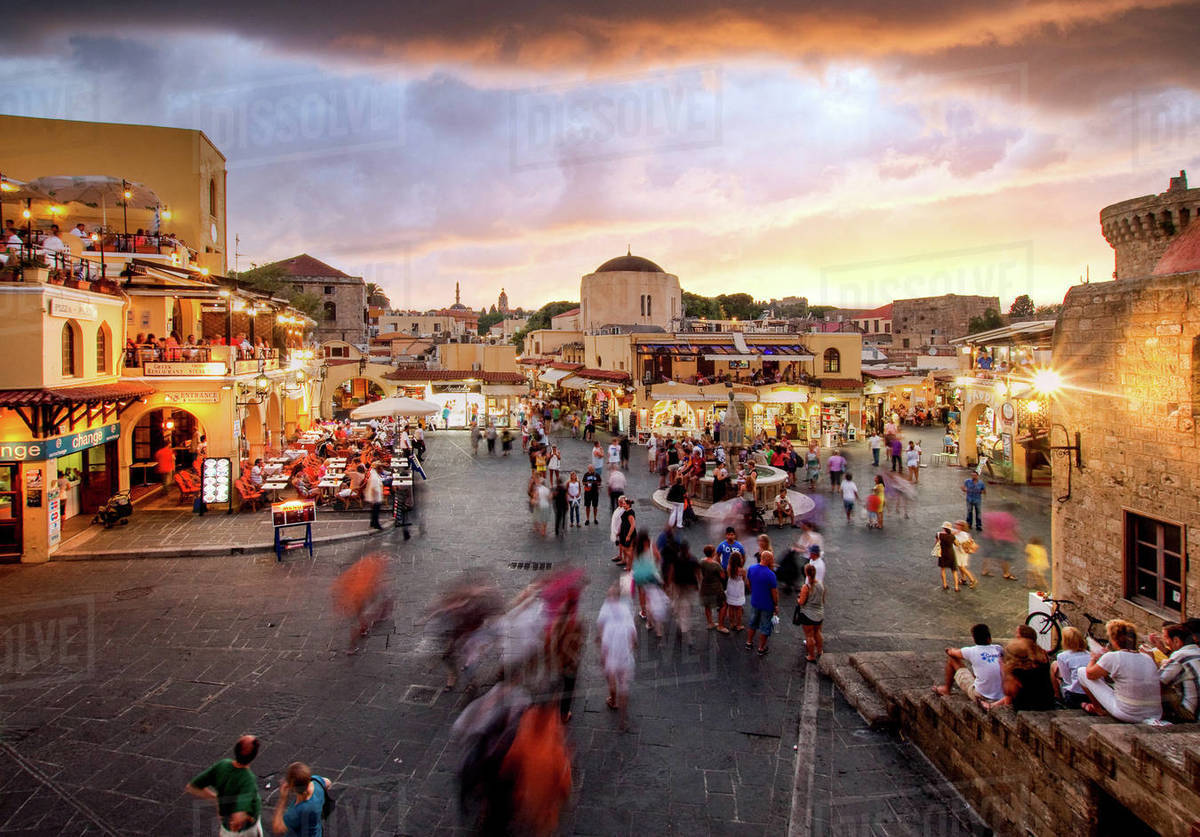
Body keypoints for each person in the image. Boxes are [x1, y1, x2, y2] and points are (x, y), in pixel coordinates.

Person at [1079, 619, 1162, 722]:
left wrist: (1093, 658)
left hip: (1127, 713)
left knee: (1082, 672)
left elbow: (1090, 675)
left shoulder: (1113, 657)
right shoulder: (1147, 657)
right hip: (1155, 713)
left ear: (1114, 640)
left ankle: (1098, 709)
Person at [185, 735, 262, 836]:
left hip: (226, 827)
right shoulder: (248, 780)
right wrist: (248, 817)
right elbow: (238, 817)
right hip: (244, 831)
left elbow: (192, 787)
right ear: (254, 756)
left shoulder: (223, 765)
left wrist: (215, 798)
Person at [983, 626, 1054, 711]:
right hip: (1047, 703)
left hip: (1025, 708)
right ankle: (992, 705)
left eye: (1017, 635)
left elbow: (1009, 694)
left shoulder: (1017, 668)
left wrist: (1004, 670)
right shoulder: (1042, 655)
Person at [932, 623, 1004, 706]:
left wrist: (950, 650)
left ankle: (946, 689)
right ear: (989, 638)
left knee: (952, 659)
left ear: (974, 639)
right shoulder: (998, 648)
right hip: (1002, 695)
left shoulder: (971, 651)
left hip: (982, 696)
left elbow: (951, 652)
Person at [597, 583, 637, 731]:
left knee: (611, 678)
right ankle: (622, 716)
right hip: (625, 655)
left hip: (611, 654)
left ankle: (613, 700)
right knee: (624, 686)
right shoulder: (626, 611)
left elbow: (601, 633)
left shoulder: (606, 610)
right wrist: (631, 648)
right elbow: (633, 635)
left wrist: (602, 654)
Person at [1153, 622, 1200, 722]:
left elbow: (1158, 682)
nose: (1167, 643)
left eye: (1167, 640)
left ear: (1176, 640)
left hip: (1191, 713)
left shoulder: (1181, 655)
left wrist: (1150, 661)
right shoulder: (1196, 652)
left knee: (1161, 685)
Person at [270, 761, 330, 837]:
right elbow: (327, 782)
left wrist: (283, 799)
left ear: (292, 787)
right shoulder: (316, 782)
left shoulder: (298, 810)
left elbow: (277, 828)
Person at [744, 549, 778, 656]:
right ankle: (761, 648)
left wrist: (754, 591)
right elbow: (774, 593)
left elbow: (748, 583)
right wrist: (776, 605)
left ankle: (749, 642)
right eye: (772, 559)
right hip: (767, 605)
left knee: (752, 623)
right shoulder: (771, 575)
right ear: (768, 560)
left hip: (755, 601)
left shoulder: (751, 569)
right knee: (765, 626)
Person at [1051, 626, 1092, 710]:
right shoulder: (1089, 654)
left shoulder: (1062, 656)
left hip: (1075, 694)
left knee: (1053, 665)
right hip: (1091, 693)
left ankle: (1057, 698)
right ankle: (1085, 704)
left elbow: (1067, 680)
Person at [795, 562, 826, 663]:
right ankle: (820, 651)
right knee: (818, 632)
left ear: (806, 574)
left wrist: (798, 599)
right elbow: (823, 599)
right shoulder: (821, 585)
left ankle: (811, 656)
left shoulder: (806, 587)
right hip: (819, 613)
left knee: (809, 635)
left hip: (808, 615)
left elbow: (801, 602)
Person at [979, 505, 1020, 580]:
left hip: (988, 537)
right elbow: (1014, 530)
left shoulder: (992, 515)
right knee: (1005, 557)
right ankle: (1006, 573)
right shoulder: (1010, 518)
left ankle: (984, 570)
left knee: (987, 555)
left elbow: (988, 526)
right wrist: (1018, 539)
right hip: (1004, 539)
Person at [699, 545, 726, 630]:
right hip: (716, 588)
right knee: (723, 605)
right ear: (713, 553)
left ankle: (710, 623)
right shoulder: (716, 565)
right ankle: (720, 625)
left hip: (705, 587)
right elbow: (723, 576)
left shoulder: (702, 562)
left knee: (707, 606)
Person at [720, 551, 747, 633]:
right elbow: (744, 579)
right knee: (738, 608)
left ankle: (732, 623)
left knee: (731, 607)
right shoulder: (742, 570)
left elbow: (728, 576)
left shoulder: (729, 567)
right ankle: (739, 625)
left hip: (731, 587)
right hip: (738, 588)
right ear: (740, 560)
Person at [953, 520, 979, 588]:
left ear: (961, 526)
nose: (956, 525)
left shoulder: (964, 534)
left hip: (962, 553)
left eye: (958, 524)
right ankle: (963, 579)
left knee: (962, 567)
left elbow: (958, 543)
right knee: (960, 566)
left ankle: (972, 580)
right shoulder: (957, 531)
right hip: (958, 552)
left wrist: (953, 535)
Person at [364, 462, 384, 530]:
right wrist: (373, 499)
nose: (382, 470)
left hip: (375, 497)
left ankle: (372, 523)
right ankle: (376, 524)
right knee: (376, 512)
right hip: (375, 498)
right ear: (378, 469)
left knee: (374, 511)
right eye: (381, 469)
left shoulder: (375, 475)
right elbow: (374, 488)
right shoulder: (374, 477)